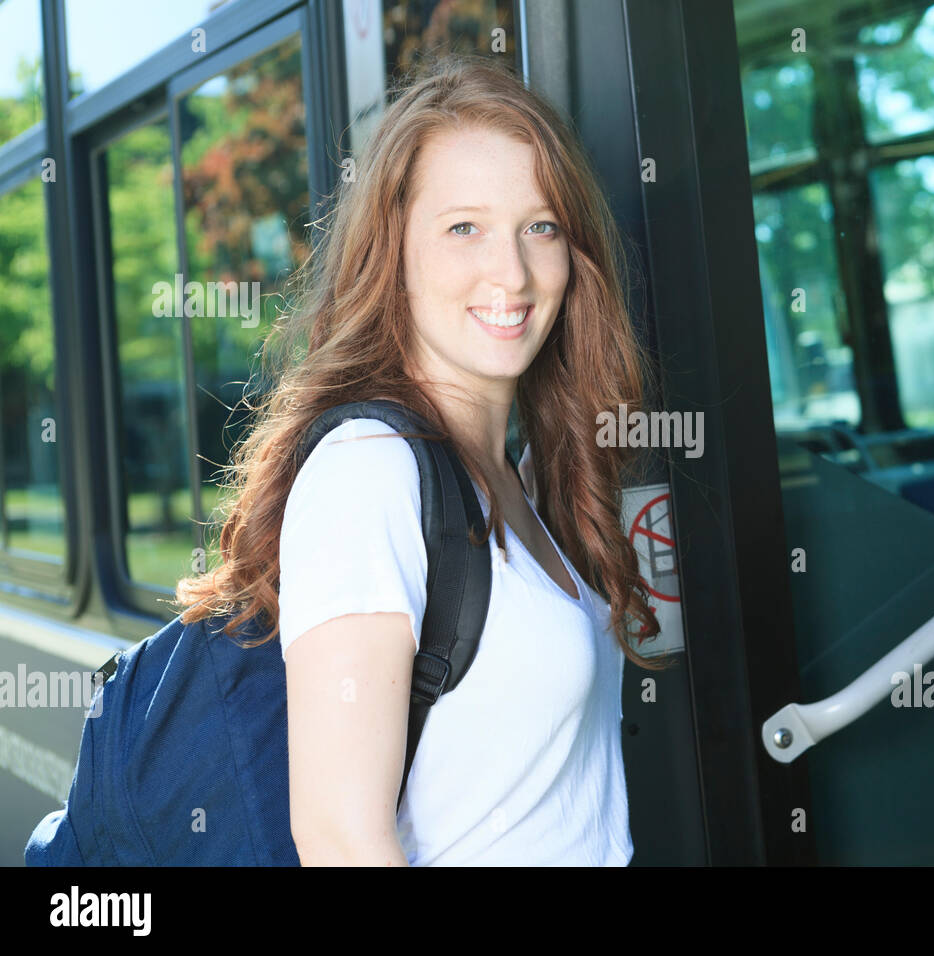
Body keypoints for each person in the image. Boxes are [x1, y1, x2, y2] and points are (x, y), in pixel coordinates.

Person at [172, 50, 669, 866]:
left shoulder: (515, 473)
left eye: (539, 227)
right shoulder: (372, 470)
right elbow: (340, 838)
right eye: (463, 227)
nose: (508, 273)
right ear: (393, 253)